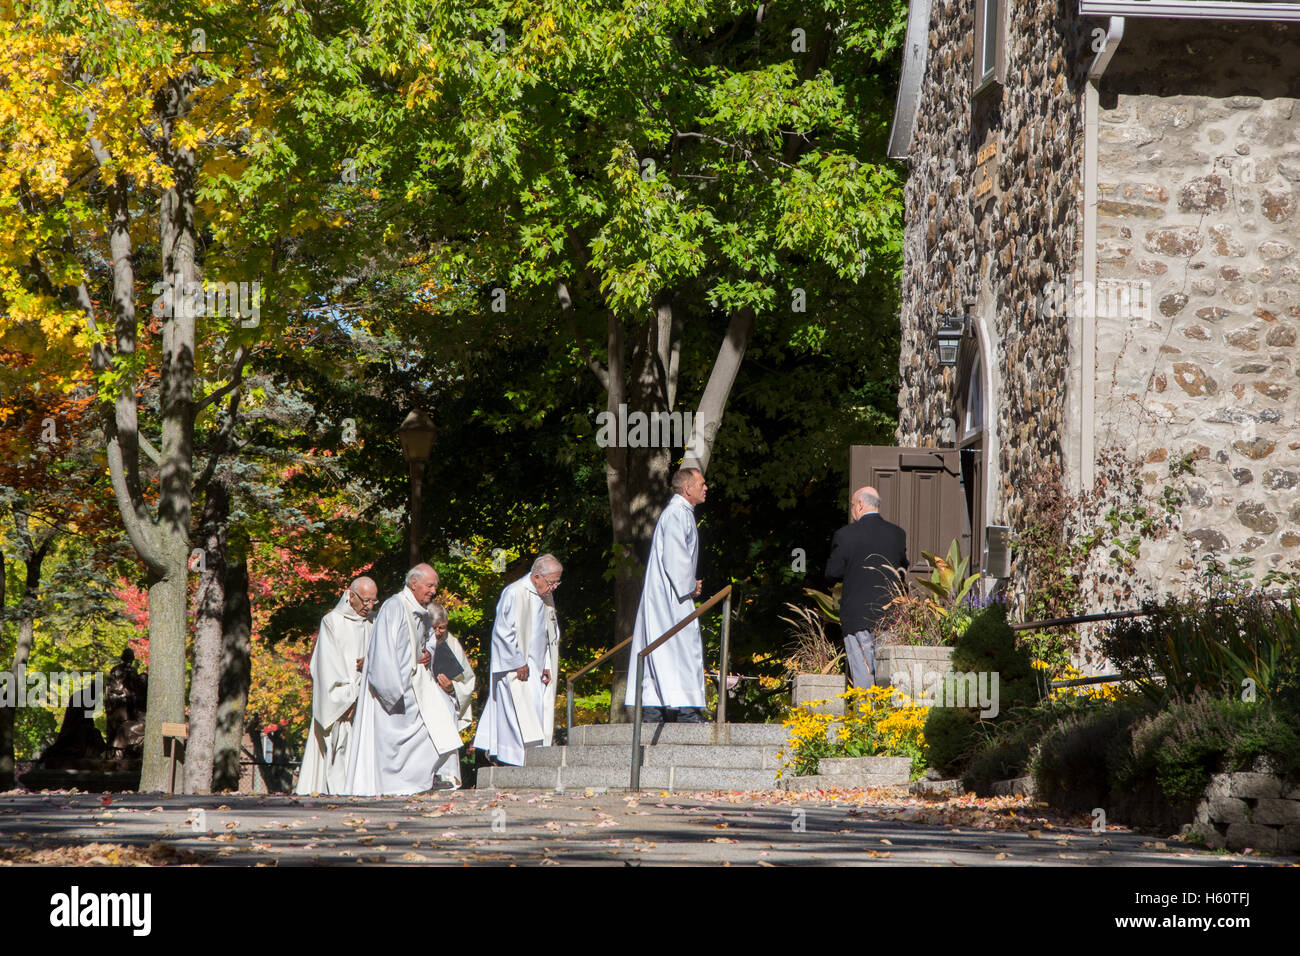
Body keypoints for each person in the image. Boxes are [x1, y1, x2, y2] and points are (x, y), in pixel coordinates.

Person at [345, 564, 463, 795]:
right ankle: (397, 783)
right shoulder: (394, 607)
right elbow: (383, 652)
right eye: (429, 586)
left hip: (416, 682)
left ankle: (420, 778)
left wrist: (428, 653)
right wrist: (392, 692)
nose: (433, 591)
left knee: (445, 710)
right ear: (414, 583)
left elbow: (426, 642)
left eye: (434, 586)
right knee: (402, 736)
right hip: (394, 687)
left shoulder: (421, 610)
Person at [623, 467, 708, 723]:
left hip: (671, 594)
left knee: (668, 649)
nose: (706, 488)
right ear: (688, 488)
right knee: (679, 647)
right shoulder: (675, 514)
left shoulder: (680, 513)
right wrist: (689, 585)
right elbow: (674, 555)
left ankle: (662, 708)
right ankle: (683, 709)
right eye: (702, 484)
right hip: (671, 596)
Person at [471, 555, 562, 765]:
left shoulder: (545, 596)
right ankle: (511, 760)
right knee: (517, 716)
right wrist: (517, 662)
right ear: (537, 576)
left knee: (535, 714)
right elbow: (503, 632)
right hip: (516, 670)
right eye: (551, 582)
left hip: (536, 669)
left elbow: (550, 634)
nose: (554, 587)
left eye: (557, 582)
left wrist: (547, 664)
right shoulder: (514, 593)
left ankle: (532, 759)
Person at [296, 576, 377, 795]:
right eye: (366, 601)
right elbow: (326, 666)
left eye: (373, 602)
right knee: (337, 750)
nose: (369, 606)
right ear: (351, 597)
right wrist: (346, 699)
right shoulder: (332, 622)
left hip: (366, 699)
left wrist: (370, 665)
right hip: (341, 703)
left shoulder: (373, 623)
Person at [824, 486, 908, 688]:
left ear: (860, 504)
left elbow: (832, 573)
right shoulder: (897, 534)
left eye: (853, 505)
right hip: (889, 615)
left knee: (863, 673)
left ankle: (865, 718)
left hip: (857, 616)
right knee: (887, 674)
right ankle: (887, 717)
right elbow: (902, 568)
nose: (852, 510)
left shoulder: (845, 535)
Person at [420, 601, 475, 789]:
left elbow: (468, 680)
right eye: (434, 628)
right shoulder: (416, 639)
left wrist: (453, 688)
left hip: (446, 702)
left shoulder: (451, 642)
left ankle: (447, 776)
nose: (438, 633)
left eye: (442, 628)